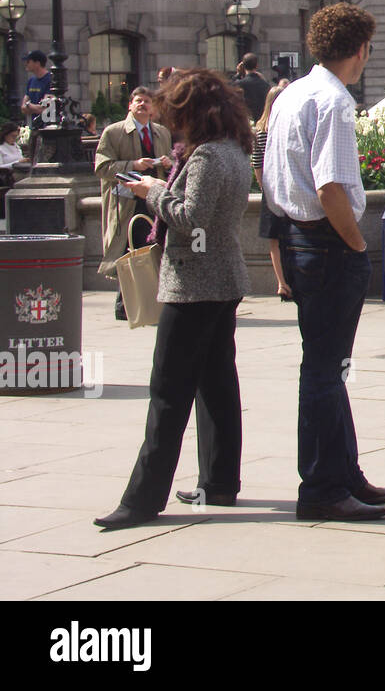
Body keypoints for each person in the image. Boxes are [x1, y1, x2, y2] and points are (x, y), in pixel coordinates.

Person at [93, 70, 254, 530]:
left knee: (167, 391)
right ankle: (219, 481)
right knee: (217, 383)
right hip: (224, 278)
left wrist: (152, 191)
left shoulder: (205, 156)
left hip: (194, 283)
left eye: (177, 109)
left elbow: (192, 218)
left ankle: (142, 499)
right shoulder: (234, 149)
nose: (171, 117)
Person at [263, 2, 385, 522]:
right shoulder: (335, 102)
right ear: (361, 50)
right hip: (327, 244)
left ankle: (345, 475)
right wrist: (357, 246)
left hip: (297, 240)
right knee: (324, 370)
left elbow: (271, 176)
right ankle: (321, 488)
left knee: (329, 366)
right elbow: (331, 187)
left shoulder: (293, 93)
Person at [95, 88, 174, 321]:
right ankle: (125, 305)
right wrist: (133, 165)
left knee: (153, 250)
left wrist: (169, 164)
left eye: (147, 102)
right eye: (138, 101)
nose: (143, 105)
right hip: (127, 203)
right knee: (129, 251)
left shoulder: (161, 132)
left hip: (154, 200)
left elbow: (171, 168)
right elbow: (102, 168)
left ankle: (152, 302)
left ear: (153, 108)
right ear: (130, 105)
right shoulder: (113, 132)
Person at [252, 79, 292, 300]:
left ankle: (281, 283)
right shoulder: (285, 127)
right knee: (291, 234)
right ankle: (290, 280)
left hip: (270, 188)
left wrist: (263, 184)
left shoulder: (260, 129)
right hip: (288, 186)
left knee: (274, 239)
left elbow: (256, 162)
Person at [20, 50, 53, 135]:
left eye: (28, 61)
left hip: (46, 126)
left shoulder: (50, 80)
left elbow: (45, 108)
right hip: (32, 126)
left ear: (37, 63)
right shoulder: (31, 80)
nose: (26, 64)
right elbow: (23, 108)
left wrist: (29, 106)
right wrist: (33, 107)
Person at [233, 53, 271, 122]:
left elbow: (229, 88)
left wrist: (238, 74)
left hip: (245, 122)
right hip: (261, 121)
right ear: (256, 66)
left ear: (243, 66)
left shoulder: (239, 84)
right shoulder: (265, 84)